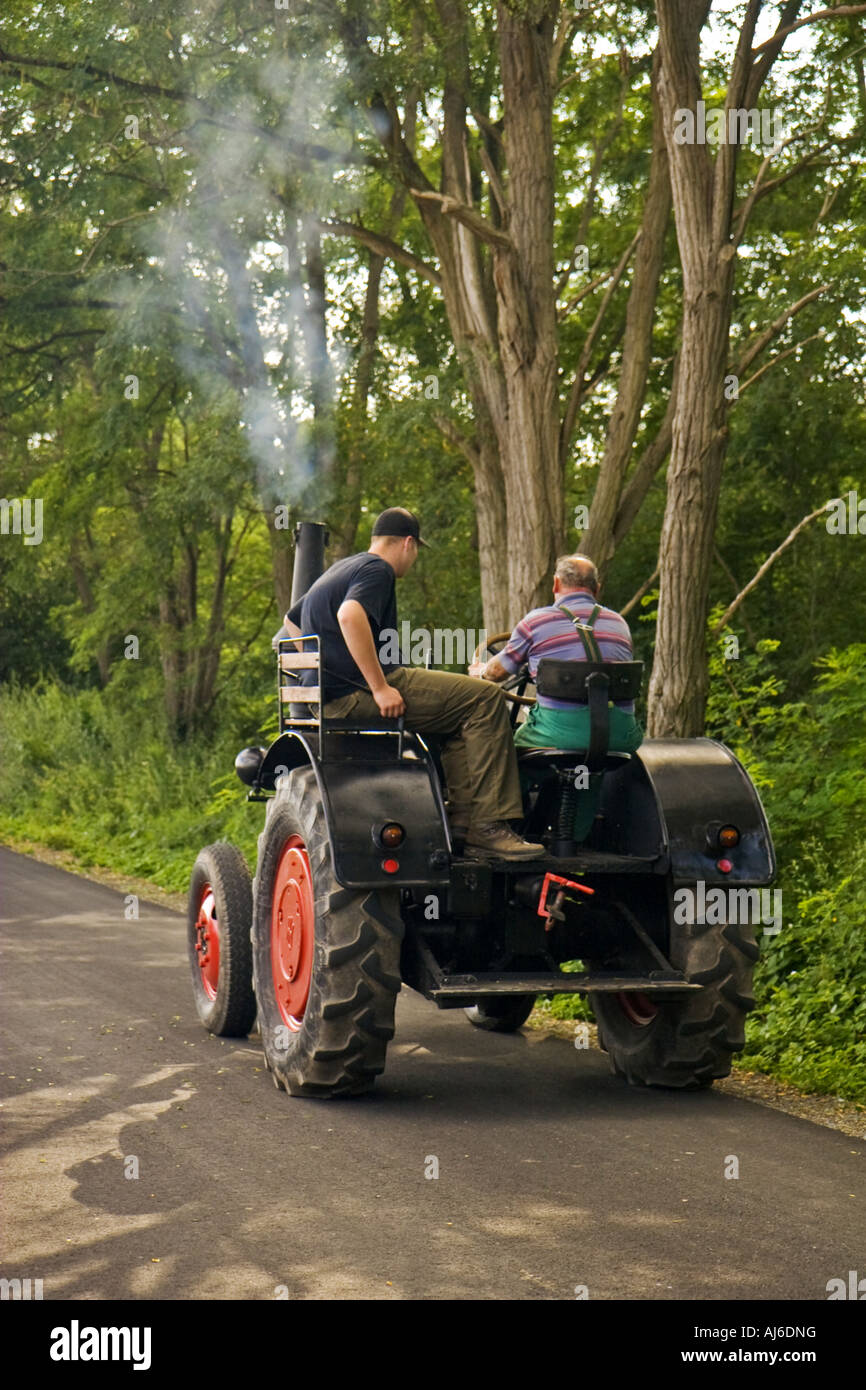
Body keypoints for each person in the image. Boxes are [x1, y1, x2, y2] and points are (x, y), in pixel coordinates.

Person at [283, 507, 544, 861]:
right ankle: (490, 827)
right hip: (359, 692)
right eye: (417, 550)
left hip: (328, 697)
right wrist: (378, 687)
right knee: (484, 698)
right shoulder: (377, 569)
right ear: (408, 544)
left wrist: (321, 668)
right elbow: (350, 614)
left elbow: (291, 620)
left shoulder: (340, 568)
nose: (414, 558)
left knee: (457, 719)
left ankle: (463, 822)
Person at [469, 553, 643, 841]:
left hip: (558, 735)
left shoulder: (536, 622)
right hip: (619, 736)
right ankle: (574, 841)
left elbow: (498, 673)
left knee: (506, 758)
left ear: (555, 584)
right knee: (592, 767)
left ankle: (504, 831)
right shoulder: (619, 624)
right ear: (596, 589)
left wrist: (479, 671)